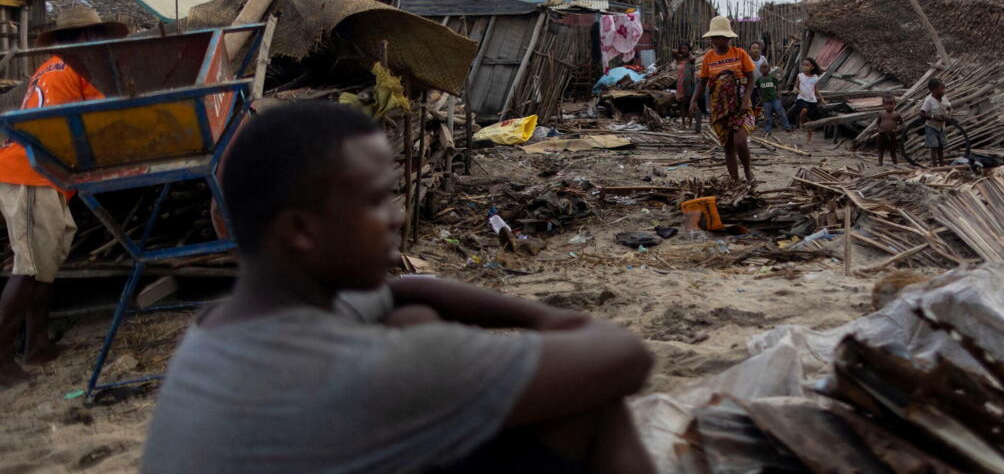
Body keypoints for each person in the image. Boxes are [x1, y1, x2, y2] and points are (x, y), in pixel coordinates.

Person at [142, 102, 656, 473]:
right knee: (595, 403)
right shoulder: (370, 368)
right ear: (301, 230)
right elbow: (627, 357)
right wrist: (552, 320)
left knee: (411, 316)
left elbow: (405, 293)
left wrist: (411, 303)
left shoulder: (221, 330)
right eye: (376, 200)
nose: (398, 214)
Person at [0, 6, 126, 388]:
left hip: (43, 171)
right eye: (96, 35)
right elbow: (113, 114)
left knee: (46, 260)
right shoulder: (83, 67)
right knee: (29, 267)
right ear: (86, 38)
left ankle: (37, 345)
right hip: (30, 171)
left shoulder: (50, 66)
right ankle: (1, 360)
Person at [689, 16, 756, 182]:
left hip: (741, 105)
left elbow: (751, 77)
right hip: (719, 107)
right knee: (728, 146)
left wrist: (747, 98)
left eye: (718, 36)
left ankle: (747, 171)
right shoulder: (709, 57)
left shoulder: (740, 54)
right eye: (713, 37)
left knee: (740, 141)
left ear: (727, 37)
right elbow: (703, 81)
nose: (715, 40)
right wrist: (693, 100)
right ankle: (734, 180)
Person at [789, 57, 826, 143]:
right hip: (801, 98)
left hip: (812, 100)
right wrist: (795, 90)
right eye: (803, 65)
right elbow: (796, 86)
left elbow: (816, 90)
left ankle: (809, 138)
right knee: (804, 110)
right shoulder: (800, 76)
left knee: (811, 121)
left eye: (807, 65)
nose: (805, 67)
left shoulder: (815, 77)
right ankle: (801, 123)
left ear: (812, 67)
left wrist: (822, 99)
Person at [920, 79, 952, 167]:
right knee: (934, 147)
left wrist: (948, 115)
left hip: (941, 127)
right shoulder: (929, 100)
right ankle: (935, 165)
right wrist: (933, 117)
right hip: (931, 127)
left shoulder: (944, 98)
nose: (944, 91)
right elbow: (922, 113)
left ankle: (941, 164)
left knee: (941, 146)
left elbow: (949, 107)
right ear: (934, 89)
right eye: (942, 89)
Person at [756, 62, 791, 135]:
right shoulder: (759, 80)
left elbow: (778, 86)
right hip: (766, 100)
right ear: (760, 70)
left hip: (774, 98)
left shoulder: (772, 78)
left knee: (781, 112)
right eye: (762, 67)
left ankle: (787, 126)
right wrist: (760, 97)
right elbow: (758, 89)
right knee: (767, 115)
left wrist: (778, 93)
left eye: (766, 67)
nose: (764, 69)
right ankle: (768, 129)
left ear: (769, 69)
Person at [673, 42, 699, 131]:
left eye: (686, 48)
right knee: (683, 105)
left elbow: (692, 57)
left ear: (689, 50)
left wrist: (689, 52)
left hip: (690, 84)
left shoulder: (691, 59)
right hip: (680, 84)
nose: (684, 50)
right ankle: (683, 123)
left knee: (690, 104)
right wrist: (681, 51)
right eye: (682, 48)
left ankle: (690, 122)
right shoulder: (679, 59)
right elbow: (673, 51)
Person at [875, 95, 903, 166]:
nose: (889, 106)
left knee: (893, 150)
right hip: (882, 134)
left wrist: (897, 129)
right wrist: (879, 129)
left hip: (892, 134)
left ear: (894, 104)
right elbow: (877, 123)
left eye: (891, 104)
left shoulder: (897, 114)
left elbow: (902, 124)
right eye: (887, 104)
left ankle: (895, 163)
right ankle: (880, 162)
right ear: (883, 105)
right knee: (881, 149)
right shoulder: (881, 114)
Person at [748, 41, 767, 106]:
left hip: (762, 85)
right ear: (750, 51)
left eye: (757, 48)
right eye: (753, 48)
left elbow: (767, 70)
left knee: (763, 102)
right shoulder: (748, 60)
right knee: (752, 102)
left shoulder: (763, 58)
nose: (756, 50)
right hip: (751, 85)